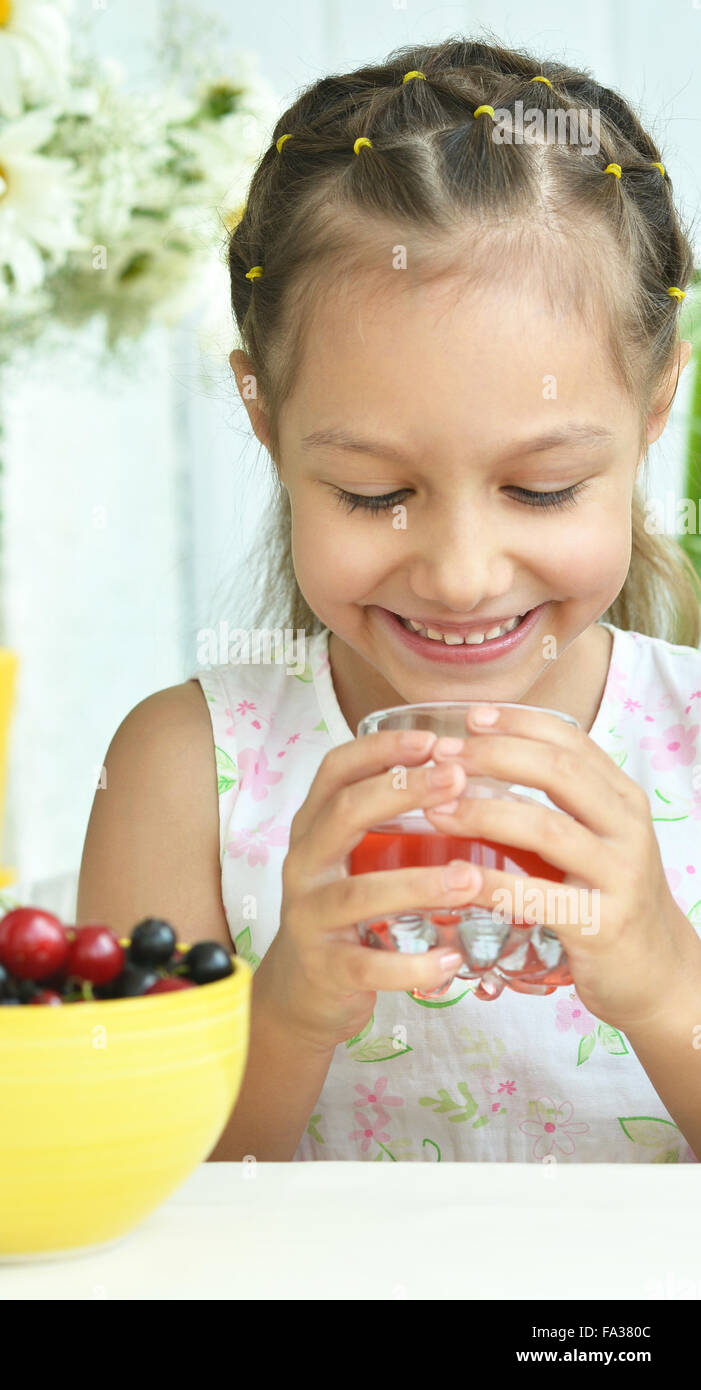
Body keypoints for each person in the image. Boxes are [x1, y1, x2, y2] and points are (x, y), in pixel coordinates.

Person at [77, 36, 701, 1163]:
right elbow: (116, 1188)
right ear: (263, 416)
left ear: (655, 404)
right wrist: (288, 1012)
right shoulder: (183, 775)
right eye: (373, 494)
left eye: (541, 488)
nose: (461, 571)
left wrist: (667, 987)